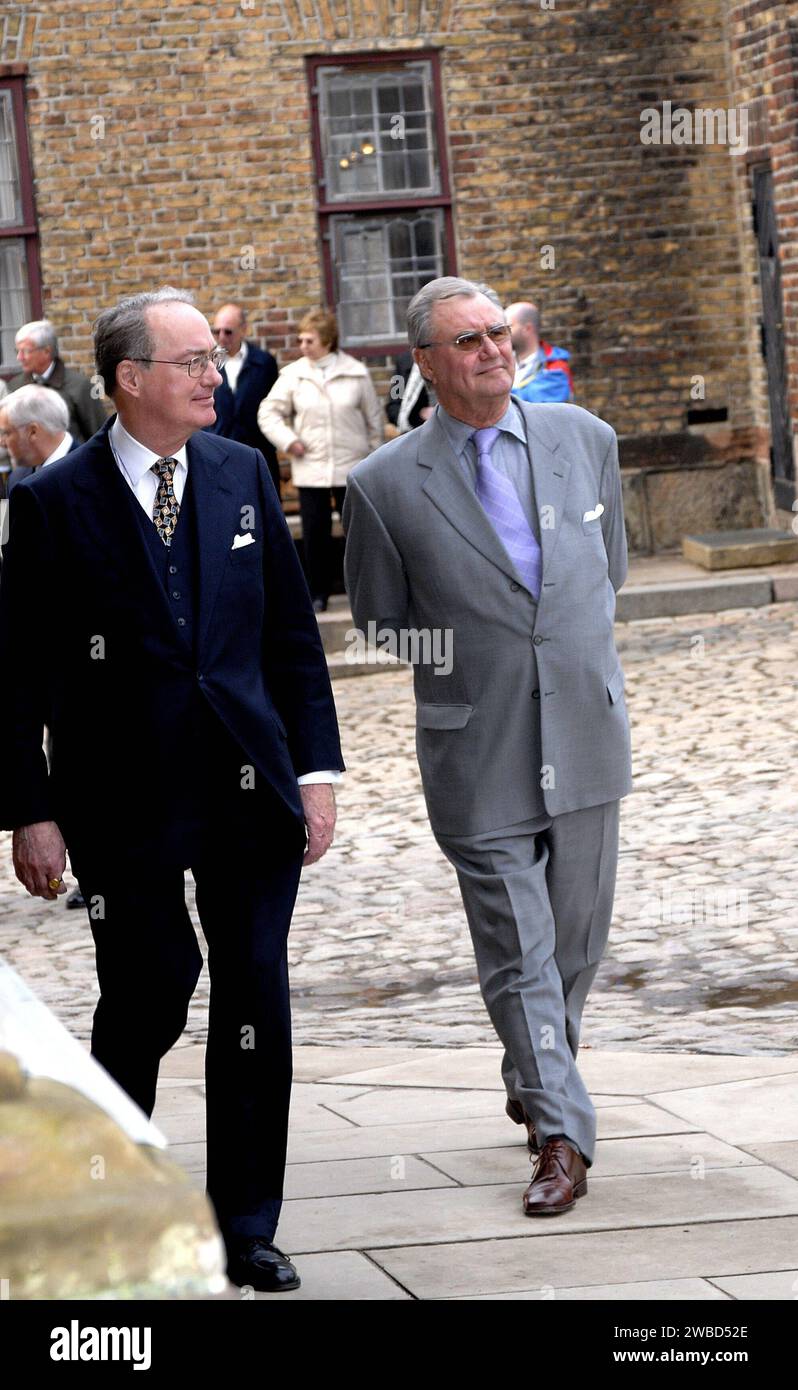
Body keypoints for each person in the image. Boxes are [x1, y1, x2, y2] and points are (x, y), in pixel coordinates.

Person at [0, 287, 344, 1293]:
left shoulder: (241, 472)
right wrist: (31, 807)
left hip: (249, 787)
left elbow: (290, 637)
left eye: (212, 359)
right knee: (150, 986)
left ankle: (247, 1225)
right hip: (121, 797)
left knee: (254, 993)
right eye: (192, 360)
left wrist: (316, 771)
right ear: (130, 380)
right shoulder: (51, 505)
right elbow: (14, 671)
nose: (214, 373)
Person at [343, 276, 632, 1218]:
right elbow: (383, 623)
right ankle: (560, 1135)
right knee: (519, 949)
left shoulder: (586, 441)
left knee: (576, 947)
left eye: (498, 333)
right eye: (467, 341)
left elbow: (608, 575)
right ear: (426, 362)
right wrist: (473, 655)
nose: (492, 351)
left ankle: (535, 1067)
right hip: (478, 749)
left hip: (585, 733)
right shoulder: (384, 485)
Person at [258, 308, 383, 612]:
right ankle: (317, 594)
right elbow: (268, 412)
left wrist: (375, 461)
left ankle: (365, 595)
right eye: (300, 339)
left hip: (352, 467)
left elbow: (374, 420)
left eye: (309, 340)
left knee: (358, 535)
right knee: (315, 536)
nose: (302, 345)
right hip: (311, 468)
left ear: (327, 341)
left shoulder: (355, 372)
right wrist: (289, 441)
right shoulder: (293, 375)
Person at [204, 301, 281, 495]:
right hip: (219, 455)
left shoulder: (263, 363)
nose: (221, 337)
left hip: (259, 456)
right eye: (216, 331)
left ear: (244, 330)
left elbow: (274, 407)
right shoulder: (206, 364)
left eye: (228, 332)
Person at [8, 319, 108, 444]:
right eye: (18, 351)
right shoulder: (15, 386)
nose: (19, 358)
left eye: (26, 351)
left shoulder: (80, 386)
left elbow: (99, 433)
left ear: (46, 351)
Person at [0, 383, 79, 492]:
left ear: (33, 431)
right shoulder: (15, 479)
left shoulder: (96, 471)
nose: (2, 442)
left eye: (7, 433)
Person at [505, 300, 574, 403]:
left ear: (527, 329)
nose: (503, 333)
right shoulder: (503, 361)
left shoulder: (555, 367)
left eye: (508, 327)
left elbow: (542, 409)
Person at [385, 349, 435, 433]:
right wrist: (415, 416)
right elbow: (394, 404)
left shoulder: (450, 358)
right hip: (414, 432)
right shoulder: (403, 361)